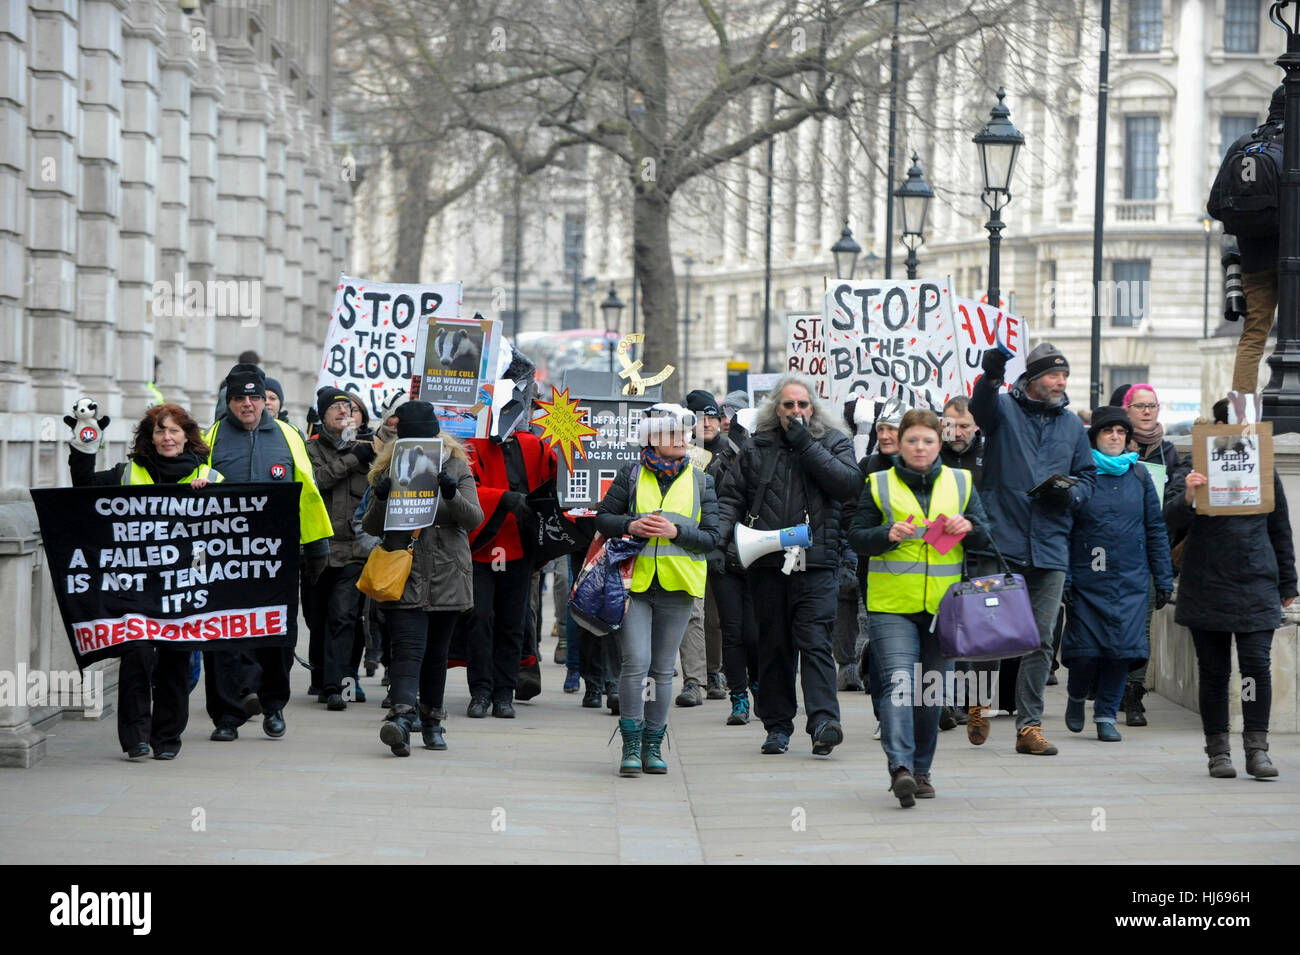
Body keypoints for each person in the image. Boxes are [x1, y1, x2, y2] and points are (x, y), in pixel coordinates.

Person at [849, 409, 991, 806]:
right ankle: (900, 768)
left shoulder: (961, 482)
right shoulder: (878, 484)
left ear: (939, 444)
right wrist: (885, 534)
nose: (920, 447)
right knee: (898, 684)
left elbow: (986, 534)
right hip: (890, 605)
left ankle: (922, 769)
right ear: (898, 442)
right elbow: (857, 537)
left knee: (931, 693)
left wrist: (971, 529)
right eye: (912, 440)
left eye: (928, 440)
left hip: (944, 609)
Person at [717, 373, 861, 757]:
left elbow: (847, 484)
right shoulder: (757, 446)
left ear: (812, 407)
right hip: (768, 563)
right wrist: (718, 535)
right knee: (775, 647)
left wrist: (805, 444)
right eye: (788, 405)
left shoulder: (833, 442)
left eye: (802, 404)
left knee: (815, 642)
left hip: (817, 563)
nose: (795, 411)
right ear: (775, 409)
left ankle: (824, 723)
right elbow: (732, 495)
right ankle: (777, 726)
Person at [67, 402, 221, 760]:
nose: (167, 437)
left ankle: (166, 739)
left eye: (173, 431)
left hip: (183, 586)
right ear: (149, 438)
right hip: (134, 586)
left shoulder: (211, 478)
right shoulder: (127, 473)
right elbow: (83, 487)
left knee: (175, 660)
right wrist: (86, 444)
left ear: (186, 437)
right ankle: (135, 737)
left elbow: (229, 530)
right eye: (159, 431)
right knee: (136, 655)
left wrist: (209, 496)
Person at [970, 342, 1096, 756]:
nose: (1061, 382)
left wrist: (1070, 495)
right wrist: (990, 376)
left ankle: (1029, 727)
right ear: (1034, 378)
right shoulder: (1003, 409)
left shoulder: (1072, 427)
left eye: (1065, 376)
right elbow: (980, 408)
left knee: (1041, 639)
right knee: (990, 636)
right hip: (1000, 542)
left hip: (1049, 546)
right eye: (1053, 375)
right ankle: (979, 706)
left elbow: (1087, 479)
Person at [1163, 399, 1296, 779]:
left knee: (1255, 668)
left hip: (1255, 581)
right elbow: (1166, 521)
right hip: (1206, 581)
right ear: (1217, 426)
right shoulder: (1193, 467)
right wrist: (1188, 495)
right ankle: (1218, 749)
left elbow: (1280, 529)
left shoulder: (1265, 468)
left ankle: (1257, 747)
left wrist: (1288, 581)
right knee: (1214, 672)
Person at [201, 363, 333, 742]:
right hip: (222, 558)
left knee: (277, 634)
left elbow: (307, 493)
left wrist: (316, 546)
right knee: (222, 638)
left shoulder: (289, 436)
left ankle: (274, 706)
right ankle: (227, 716)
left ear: (264, 401)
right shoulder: (210, 439)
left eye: (254, 397)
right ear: (228, 402)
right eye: (239, 398)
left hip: (277, 557)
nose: (248, 404)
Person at [595, 404, 720, 775]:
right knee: (636, 663)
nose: (682, 438)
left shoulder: (701, 481)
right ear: (651, 438)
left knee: (663, 670)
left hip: (679, 586)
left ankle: (653, 743)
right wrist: (631, 525)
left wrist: (677, 532)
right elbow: (602, 519)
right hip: (633, 584)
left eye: (684, 432)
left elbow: (713, 538)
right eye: (670, 433)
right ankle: (631, 744)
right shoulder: (630, 475)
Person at [362, 402, 482, 755]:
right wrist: (381, 498)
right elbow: (370, 526)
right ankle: (400, 718)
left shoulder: (456, 464)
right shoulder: (388, 466)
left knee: (436, 655)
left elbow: (473, 518)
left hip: (447, 571)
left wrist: (450, 492)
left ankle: (432, 721)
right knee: (407, 649)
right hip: (405, 570)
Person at [1061, 407, 1173, 742]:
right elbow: (1064, 529)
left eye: (1121, 432)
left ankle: (1106, 715)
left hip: (1131, 581)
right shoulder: (1081, 476)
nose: (1114, 437)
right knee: (1085, 651)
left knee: (1121, 653)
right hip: (1087, 580)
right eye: (1108, 431)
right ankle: (1077, 694)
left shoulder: (1139, 477)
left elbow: (1155, 528)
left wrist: (1163, 577)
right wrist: (1065, 577)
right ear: (1094, 436)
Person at [463, 363, 557, 718]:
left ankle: (504, 691)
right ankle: (481, 691)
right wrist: (502, 499)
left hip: (520, 546)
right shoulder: (472, 445)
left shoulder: (534, 445)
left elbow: (557, 479)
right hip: (484, 546)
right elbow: (467, 487)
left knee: (512, 620)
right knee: (480, 618)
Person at [1114, 383, 1183, 726]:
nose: (1146, 412)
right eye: (1139, 406)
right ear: (1127, 410)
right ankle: (1109, 685)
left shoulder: (1169, 454)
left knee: (1141, 628)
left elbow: (1175, 509)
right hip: (1113, 554)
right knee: (1111, 623)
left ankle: (1133, 692)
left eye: (1151, 406)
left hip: (1151, 553)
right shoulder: (1110, 449)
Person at [1209, 84, 1284, 395]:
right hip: (1293, 260)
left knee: (1253, 337)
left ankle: (1242, 417)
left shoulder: (1244, 143)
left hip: (1254, 261)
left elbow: (1214, 206)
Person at [306, 387, 378, 711]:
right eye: (336, 408)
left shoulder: (369, 450)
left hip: (353, 551)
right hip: (317, 551)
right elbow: (316, 480)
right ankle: (323, 677)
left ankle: (339, 686)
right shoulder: (310, 449)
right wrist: (352, 460)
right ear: (322, 416)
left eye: (348, 408)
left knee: (344, 617)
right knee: (317, 619)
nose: (343, 413)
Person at [676, 389, 729, 706]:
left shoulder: (733, 452)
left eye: (712, 416)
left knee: (716, 617)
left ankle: (714, 673)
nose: (707, 423)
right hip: (689, 544)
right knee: (692, 614)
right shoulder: (679, 452)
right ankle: (694, 681)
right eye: (700, 417)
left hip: (721, 546)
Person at [939, 394, 985, 732]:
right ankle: (945, 702)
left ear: (976, 426)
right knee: (945, 631)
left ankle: (978, 706)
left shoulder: (991, 456)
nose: (956, 432)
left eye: (964, 425)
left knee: (979, 633)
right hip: (938, 555)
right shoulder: (929, 454)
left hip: (979, 553)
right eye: (950, 425)